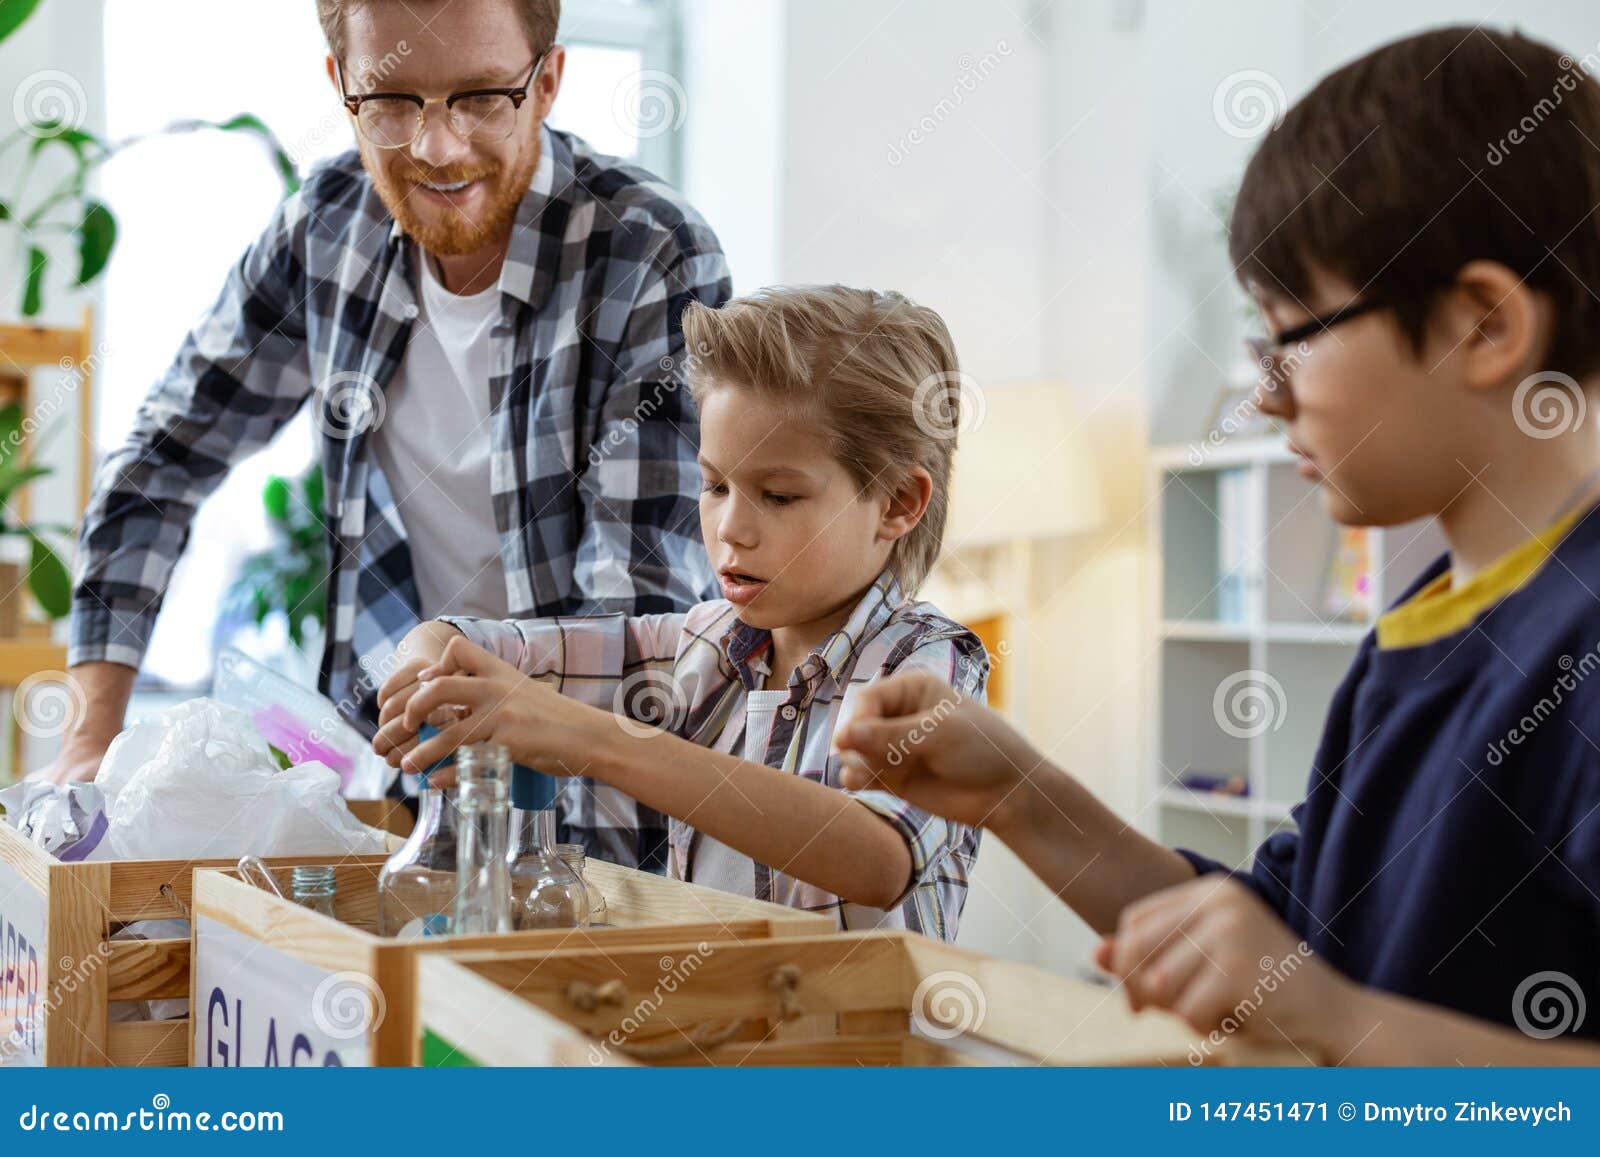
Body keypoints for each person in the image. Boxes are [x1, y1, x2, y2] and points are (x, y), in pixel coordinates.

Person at [836, 27, 1600, 1061]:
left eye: (1291, 334)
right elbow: (1283, 949)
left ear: (1483, 326)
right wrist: (1015, 790)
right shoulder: (1420, 628)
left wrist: (1341, 1025)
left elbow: (1323, 1005)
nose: (1265, 392)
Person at [58, 0, 729, 870]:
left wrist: (472, 684)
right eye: (393, 100)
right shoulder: (328, 231)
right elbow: (159, 463)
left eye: (481, 96)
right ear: (342, 88)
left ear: (548, 82)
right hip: (398, 796)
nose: (437, 148)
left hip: (604, 819)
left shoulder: (649, 255)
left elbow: (635, 625)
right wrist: (90, 743)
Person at [373, 286, 988, 938]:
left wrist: (595, 739)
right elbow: (458, 642)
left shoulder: (927, 664)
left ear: (897, 503)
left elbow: (879, 859)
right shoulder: (694, 647)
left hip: (861, 1041)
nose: (731, 529)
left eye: (777, 496)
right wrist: (426, 665)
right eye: (715, 484)